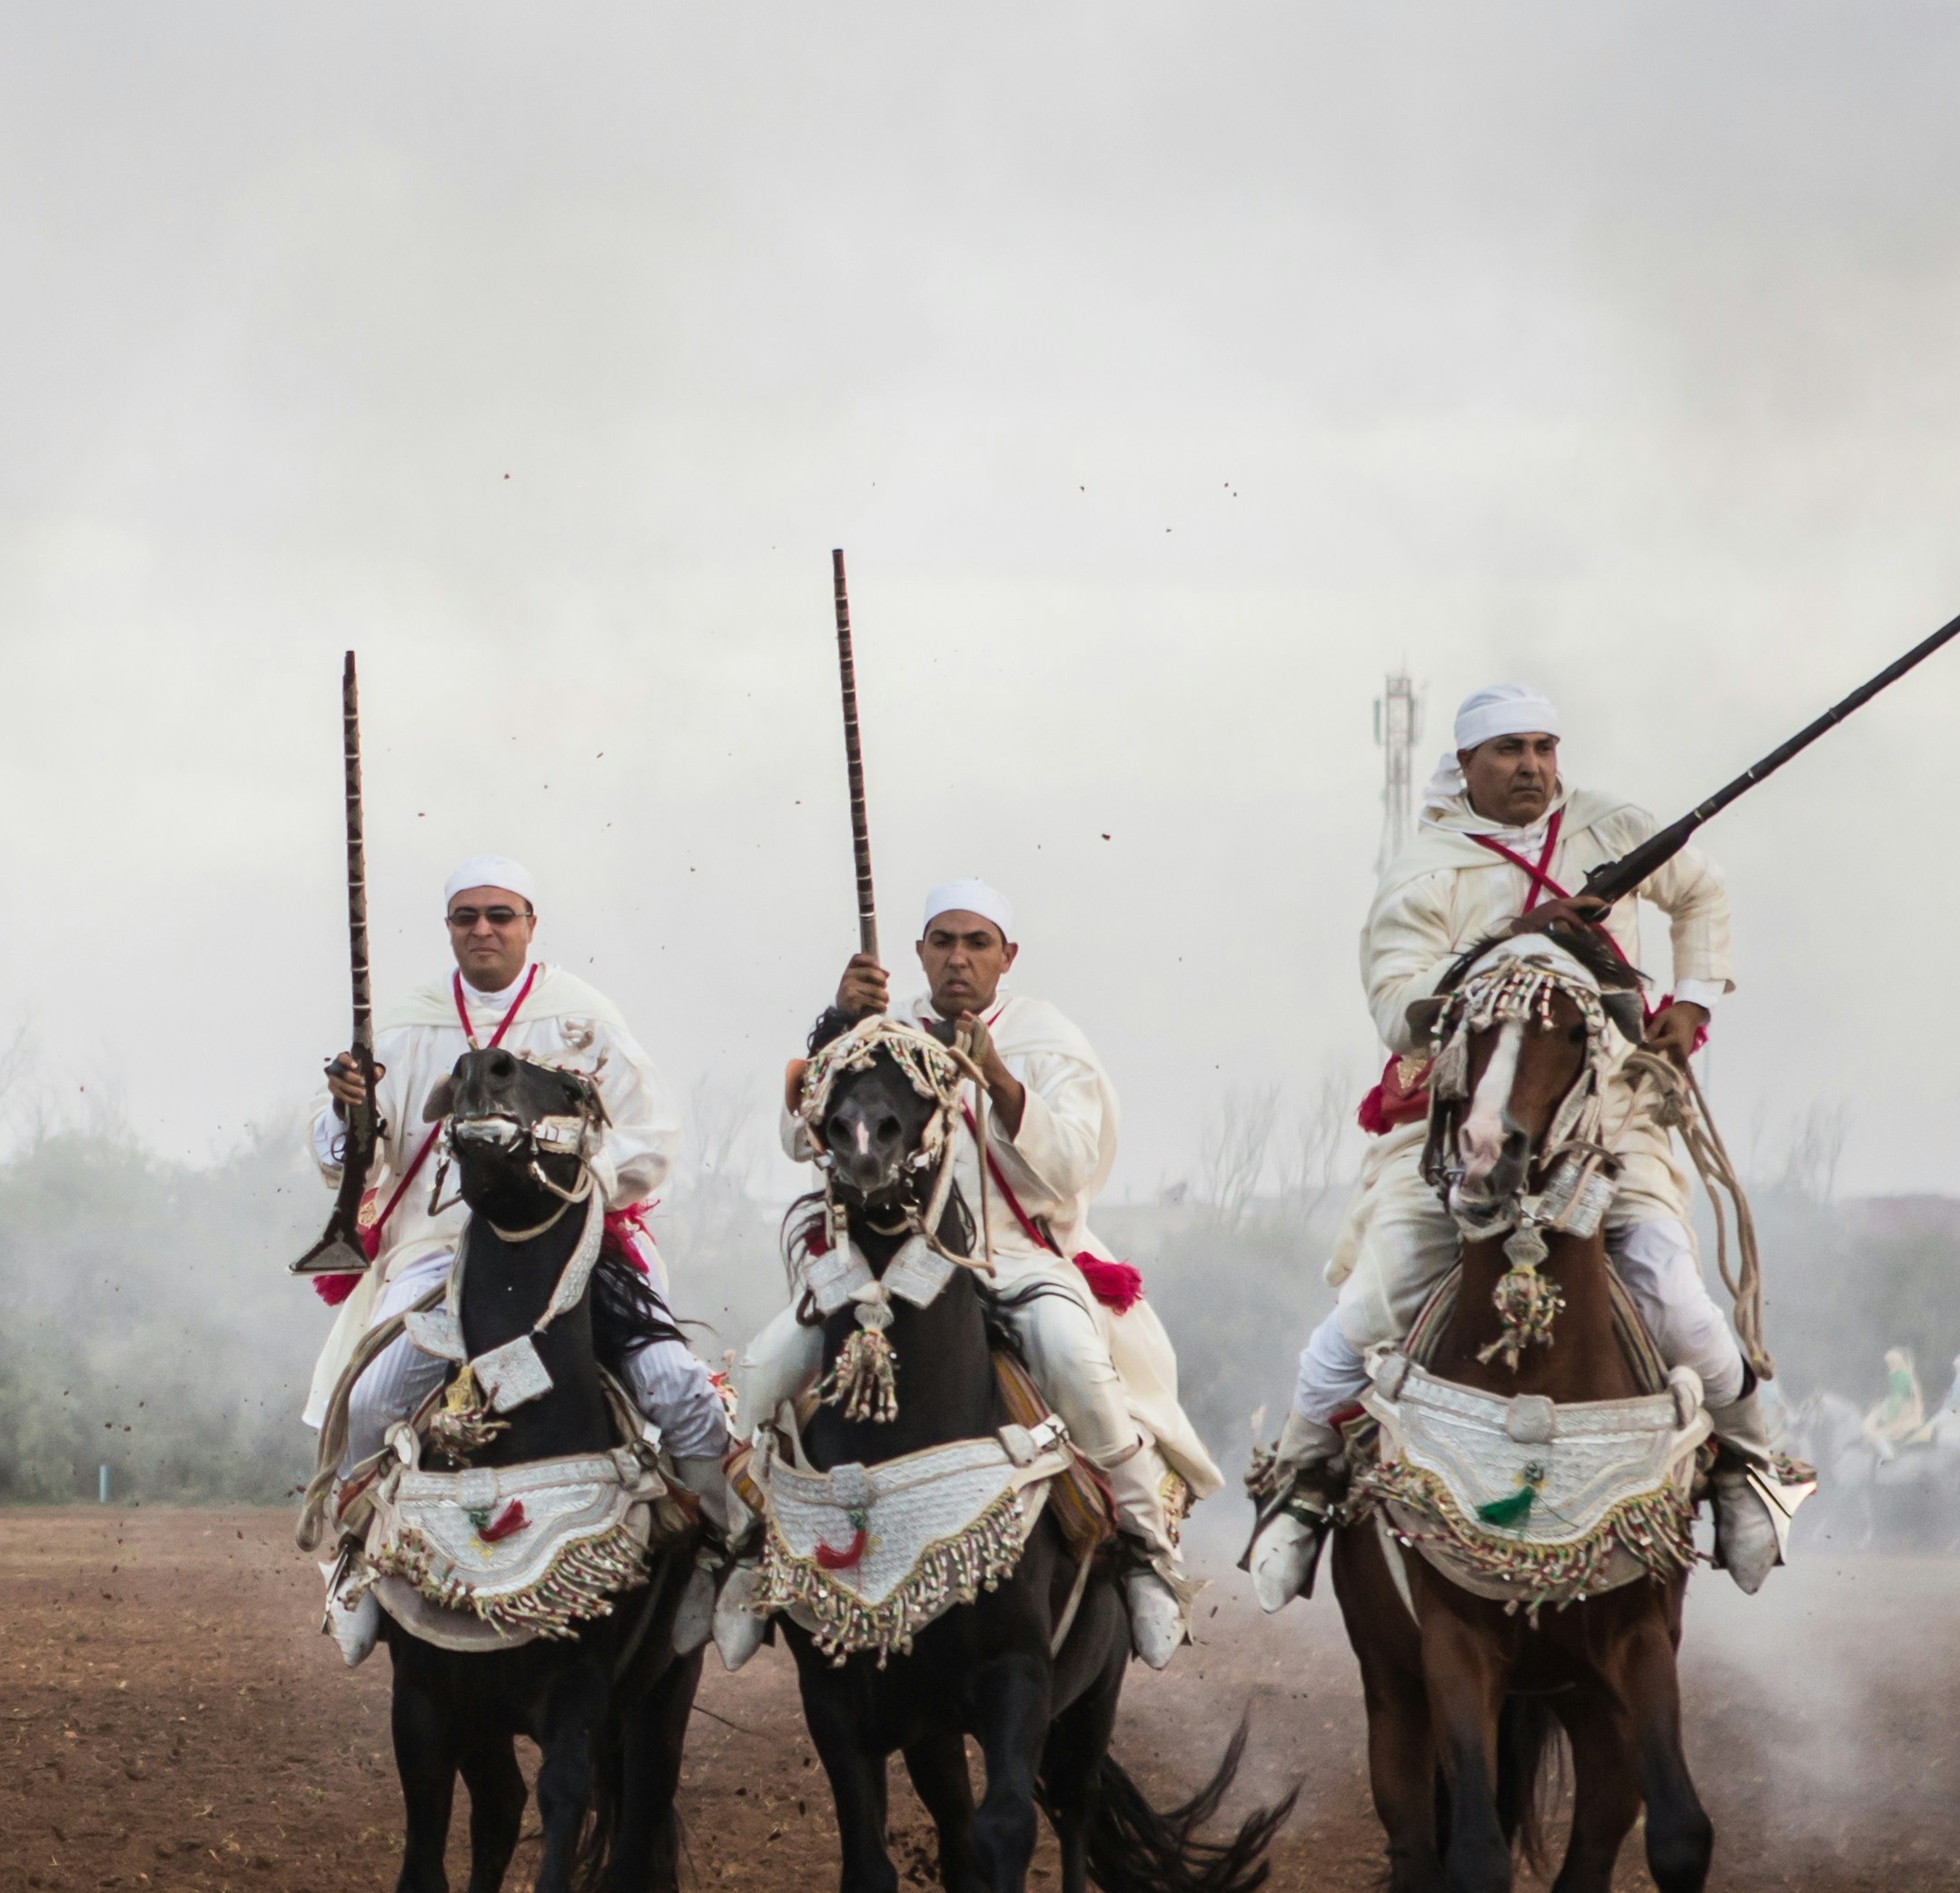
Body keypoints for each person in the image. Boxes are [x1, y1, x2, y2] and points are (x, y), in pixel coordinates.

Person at [1242, 686, 1788, 1604]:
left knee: (1681, 1305)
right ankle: (1302, 1485)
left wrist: (1686, 1009)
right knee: (1364, 1315)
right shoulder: (1419, 873)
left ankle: (1744, 1463)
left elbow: (1699, 890)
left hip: (1610, 1123)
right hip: (1455, 1131)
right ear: (1465, 767)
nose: (1530, 765)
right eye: (1506, 750)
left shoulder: (1610, 824)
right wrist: (1515, 938)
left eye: (1542, 746)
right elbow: (1398, 1008)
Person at [760, 882, 1215, 1666]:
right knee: (761, 1371)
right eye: (942, 941)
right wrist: (836, 1026)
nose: (958, 958)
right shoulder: (880, 1031)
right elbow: (802, 1140)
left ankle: (1146, 1555)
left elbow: (1074, 1165)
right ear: (918, 953)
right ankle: (739, 1554)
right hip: (885, 1271)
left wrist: (999, 1078)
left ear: (1008, 955)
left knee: (1076, 1359)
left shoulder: (1046, 1036)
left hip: (1015, 1259)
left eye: (977, 942)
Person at [301, 857, 735, 1520]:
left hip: (577, 1247)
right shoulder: (403, 1027)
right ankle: (359, 1567)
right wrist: (349, 1109)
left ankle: (714, 1540)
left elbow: (652, 1136)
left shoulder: (581, 1019)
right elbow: (350, 1163)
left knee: (678, 1389)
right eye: (466, 916)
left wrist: (569, 1174)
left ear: (530, 925)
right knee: (370, 1401)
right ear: (448, 927)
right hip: (441, 1251)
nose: (484, 929)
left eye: (500, 915)